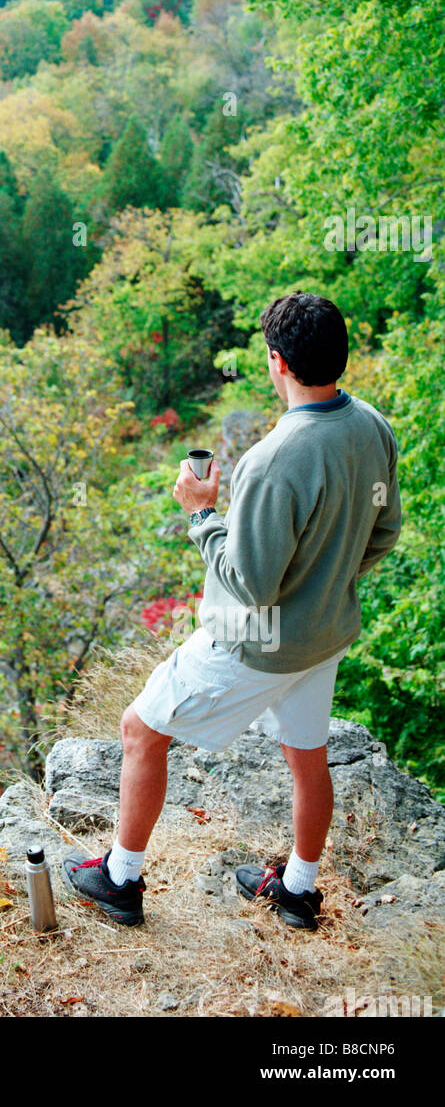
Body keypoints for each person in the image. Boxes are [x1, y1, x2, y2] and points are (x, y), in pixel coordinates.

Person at [63, 292, 402, 930]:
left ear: (276, 361)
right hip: (324, 635)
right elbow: (382, 532)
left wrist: (201, 514)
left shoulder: (273, 462)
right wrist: (326, 585)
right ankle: (298, 891)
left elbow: (249, 586)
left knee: (142, 729)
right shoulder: (372, 427)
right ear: (340, 355)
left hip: (256, 642)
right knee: (308, 755)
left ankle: (119, 878)